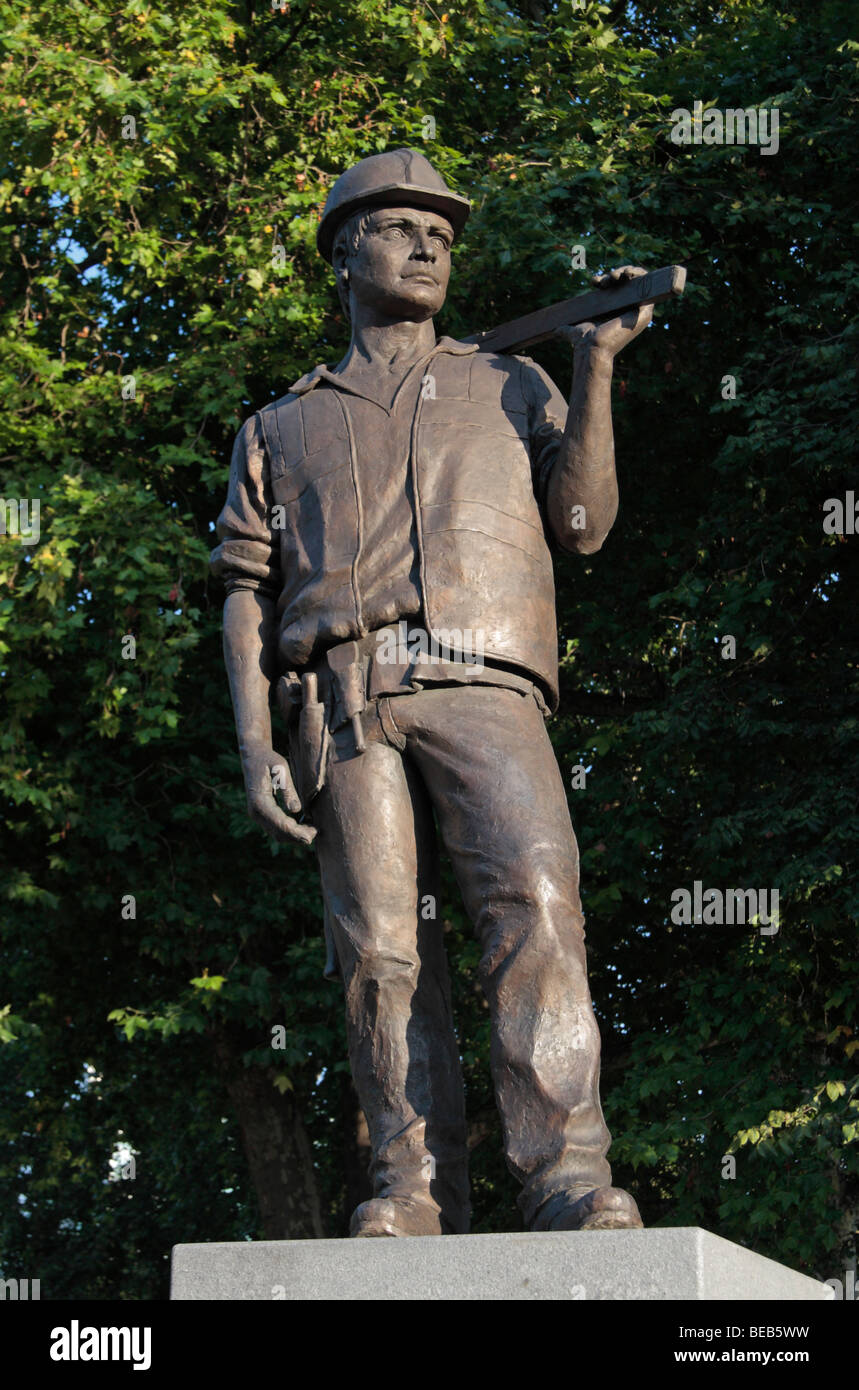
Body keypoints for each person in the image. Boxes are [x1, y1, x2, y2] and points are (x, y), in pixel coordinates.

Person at [211, 148, 652, 1237]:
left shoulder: (512, 382)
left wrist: (595, 371)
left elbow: (585, 529)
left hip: (486, 684)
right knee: (378, 952)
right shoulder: (279, 427)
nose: (425, 246)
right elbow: (244, 592)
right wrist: (254, 739)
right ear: (342, 254)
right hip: (345, 706)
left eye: (442, 236)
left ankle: (563, 1176)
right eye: (399, 228)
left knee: (538, 905)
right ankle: (409, 1188)